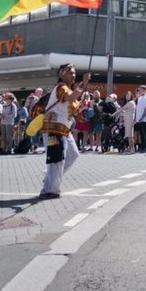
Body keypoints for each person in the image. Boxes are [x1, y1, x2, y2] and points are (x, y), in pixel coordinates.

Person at [39, 63, 90, 199]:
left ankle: (49, 180)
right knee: (56, 159)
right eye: (70, 72)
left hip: (64, 130)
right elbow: (70, 98)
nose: (73, 75)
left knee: (73, 154)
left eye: (74, 73)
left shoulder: (68, 90)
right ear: (62, 74)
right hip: (53, 128)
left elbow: (74, 113)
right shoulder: (61, 88)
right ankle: (50, 190)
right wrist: (83, 83)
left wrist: (82, 106)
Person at [134, 85, 146, 152]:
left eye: (140, 90)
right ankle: (142, 147)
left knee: (145, 134)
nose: (139, 91)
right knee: (141, 134)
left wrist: (142, 117)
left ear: (144, 90)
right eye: (139, 90)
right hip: (139, 120)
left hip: (144, 119)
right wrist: (137, 118)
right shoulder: (140, 98)